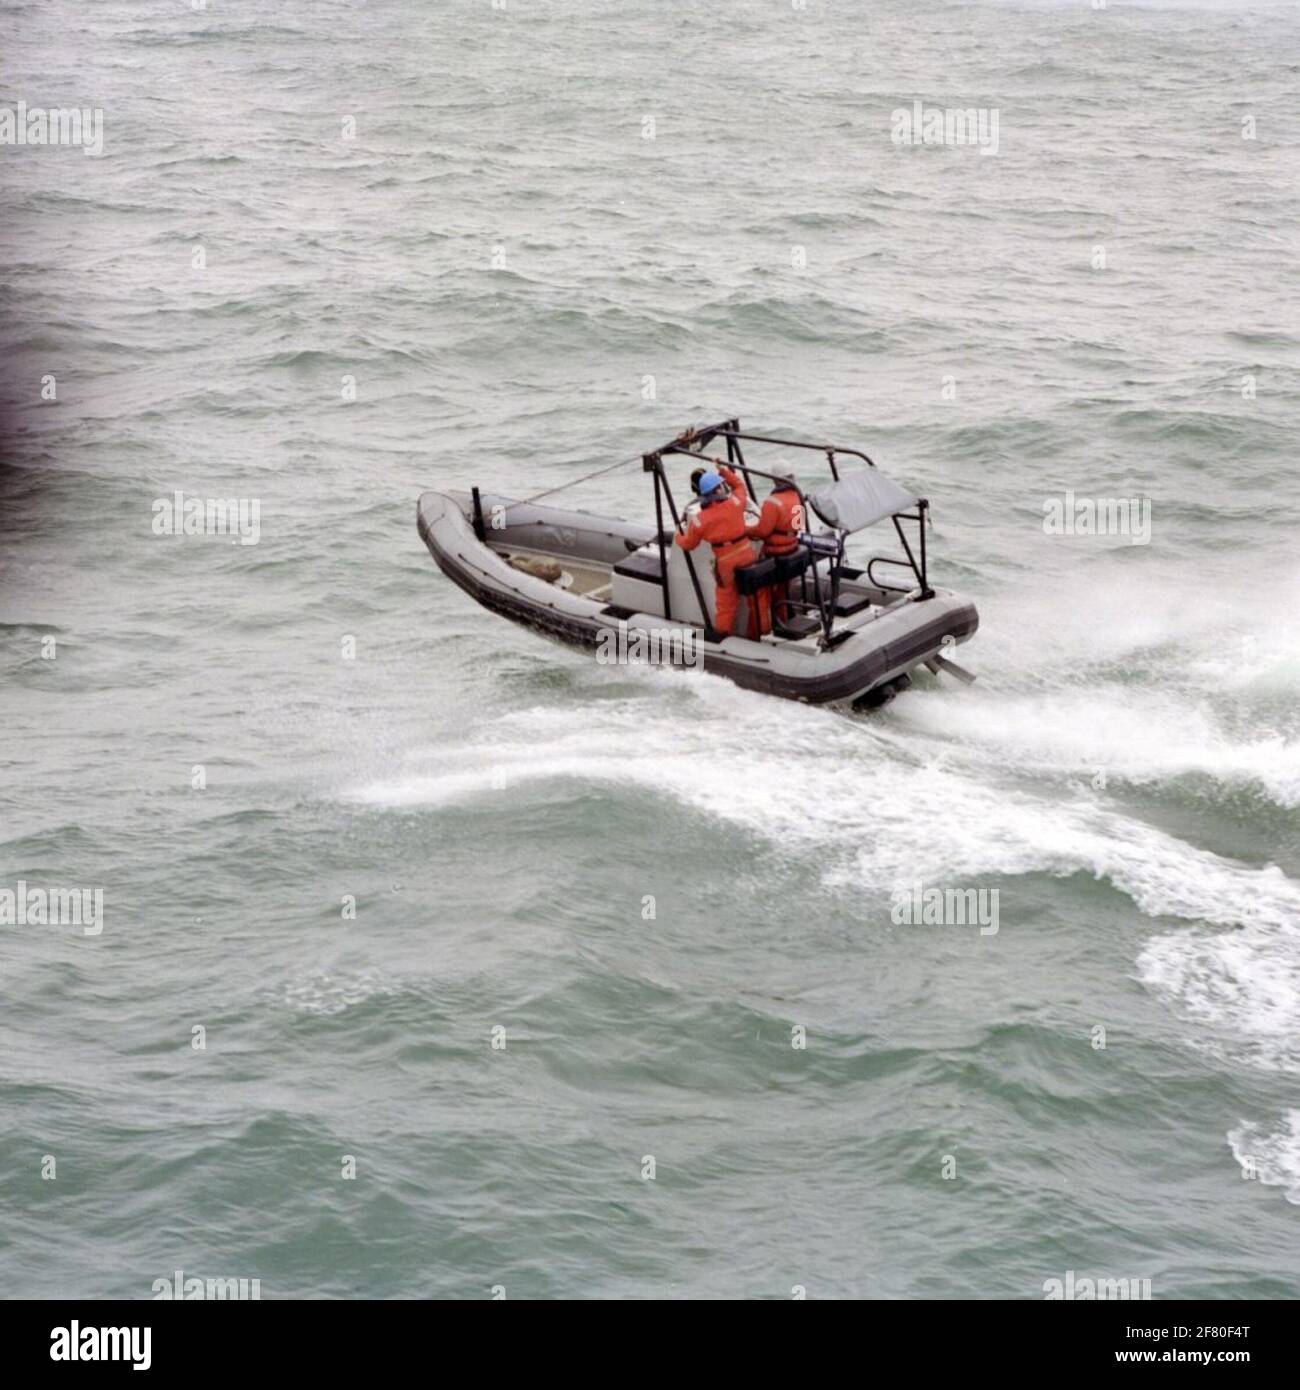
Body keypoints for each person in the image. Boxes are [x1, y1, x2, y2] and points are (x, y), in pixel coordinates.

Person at [674, 466, 760, 635]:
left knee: (726, 600)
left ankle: (722, 635)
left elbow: (688, 544)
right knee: (755, 596)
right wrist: (723, 470)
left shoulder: (700, 520)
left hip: (725, 561)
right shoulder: (736, 503)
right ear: (720, 488)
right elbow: (740, 486)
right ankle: (756, 633)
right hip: (746, 553)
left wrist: (678, 535)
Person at [746, 473, 805, 632]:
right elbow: (798, 524)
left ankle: (775, 625)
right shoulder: (797, 496)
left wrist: (745, 530)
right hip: (792, 548)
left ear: (774, 479)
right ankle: (785, 617)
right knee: (784, 590)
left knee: (769, 593)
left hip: (775, 552)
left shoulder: (772, 502)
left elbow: (762, 532)